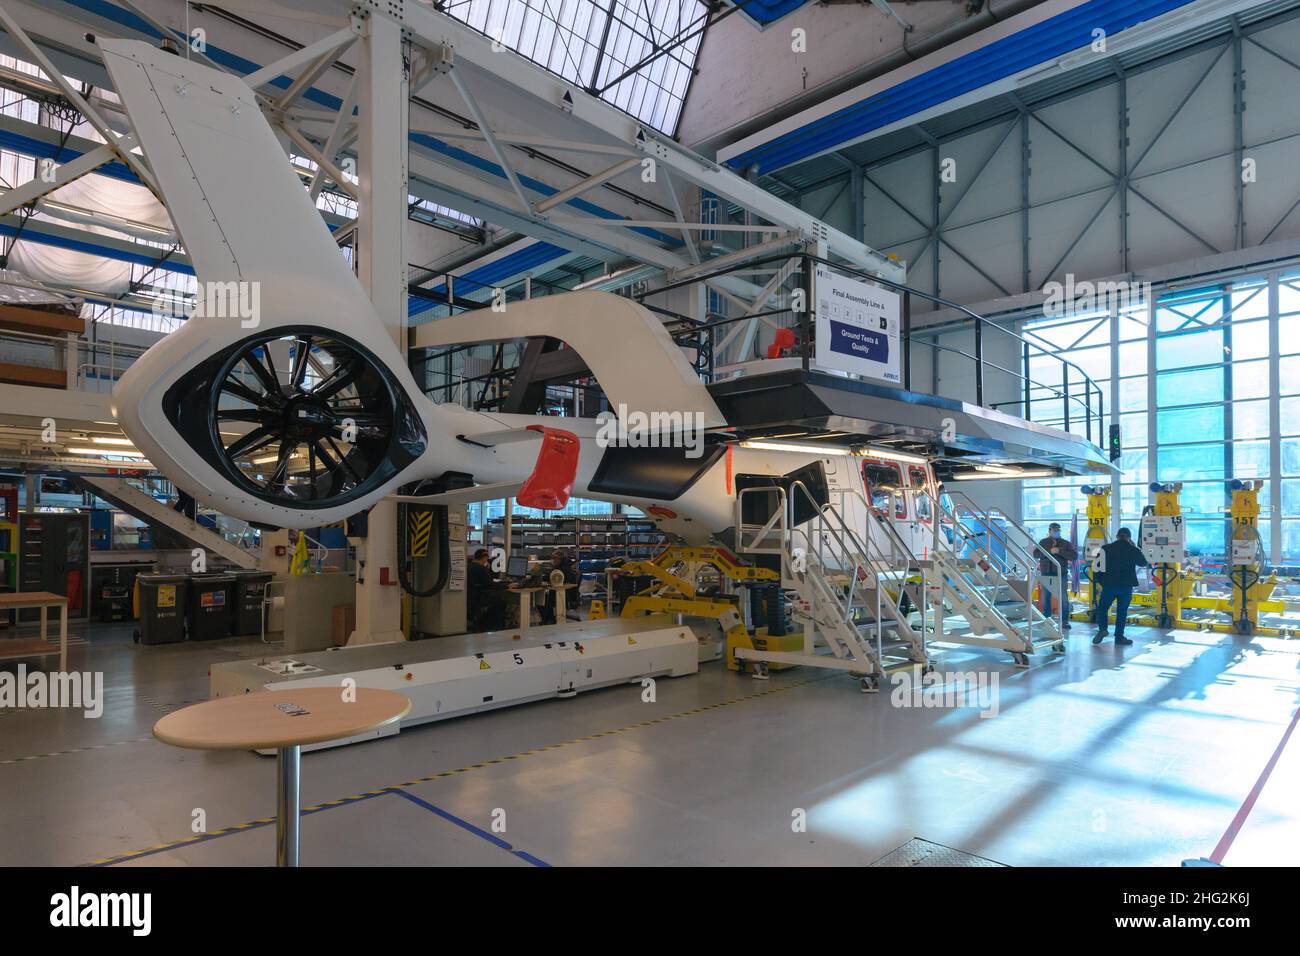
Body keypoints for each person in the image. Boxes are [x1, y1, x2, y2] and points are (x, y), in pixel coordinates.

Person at [1092, 527, 1149, 646]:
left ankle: (1103, 629)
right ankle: (1119, 637)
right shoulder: (1133, 550)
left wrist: (1101, 581)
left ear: (1117, 536)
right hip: (1126, 586)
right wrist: (1136, 548)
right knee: (1122, 611)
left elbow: (1096, 567)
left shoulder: (1106, 548)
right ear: (1129, 538)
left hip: (1109, 585)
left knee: (1103, 608)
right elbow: (1143, 563)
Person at [1036, 522, 1077, 630]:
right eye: (1054, 530)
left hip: (1061, 574)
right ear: (1049, 531)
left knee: (1063, 598)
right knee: (1045, 597)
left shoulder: (1065, 543)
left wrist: (1060, 551)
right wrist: (1048, 551)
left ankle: (1064, 621)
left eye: (1058, 530)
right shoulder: (1043, 542)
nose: (1056, 532)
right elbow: (1036, 554)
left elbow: (1074, 556)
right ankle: (1047, 619)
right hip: (1046, 573)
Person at [467, 548, 506, 632]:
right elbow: (490, 584)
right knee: (501, 602)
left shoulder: (469, 566)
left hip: (472, 596)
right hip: (480, 597)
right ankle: (487, 624)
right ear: (484, 558)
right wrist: (507, 585)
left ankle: (482, 623)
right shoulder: (481, 569)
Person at [539, 549, 577, 625]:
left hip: (564, 594)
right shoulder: (560, 566)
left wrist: (542, 578)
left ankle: (550, 619)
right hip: (559, 591)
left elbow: (551, 577)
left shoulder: (563, 568)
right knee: (541, 597)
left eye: (554, 558)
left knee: (543, 598)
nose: (552, 560)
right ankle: (548, 619)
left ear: (559, 559)